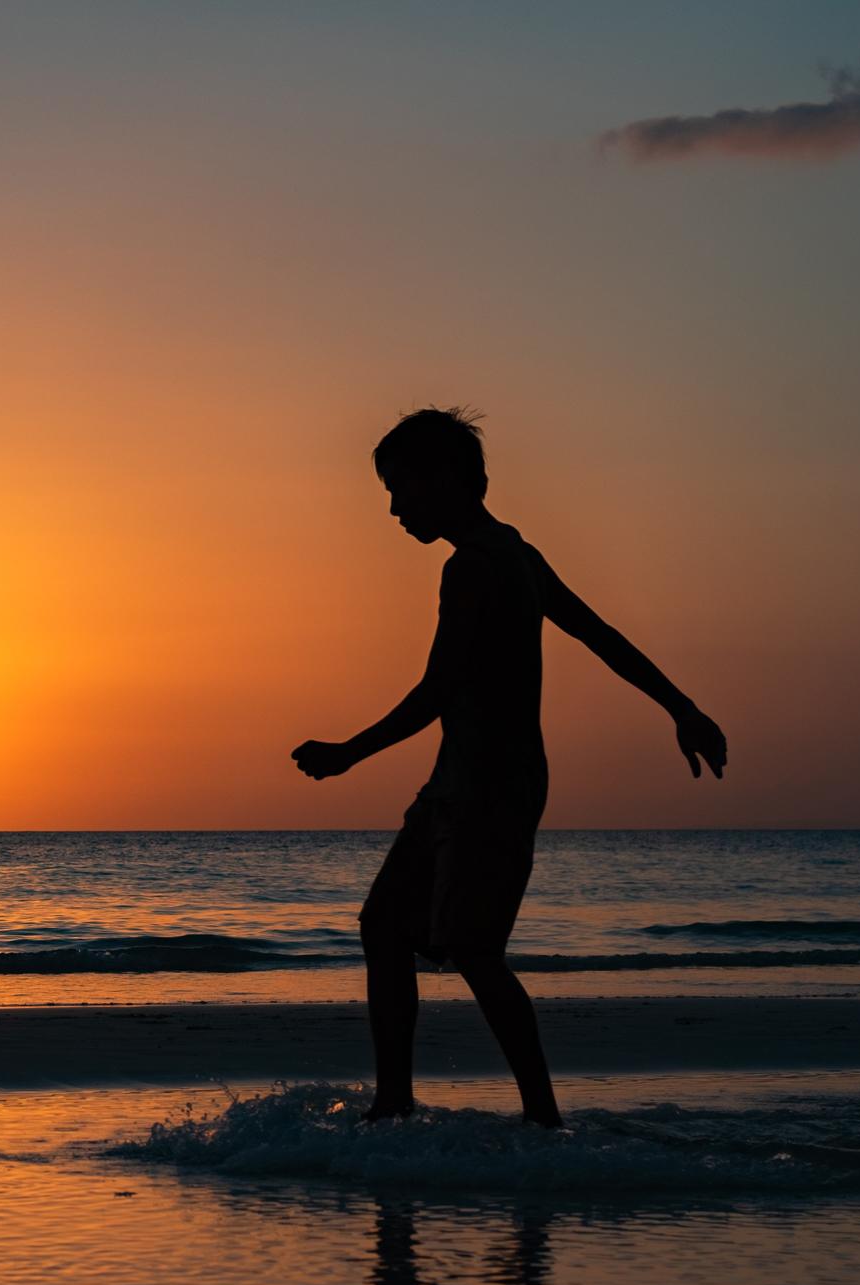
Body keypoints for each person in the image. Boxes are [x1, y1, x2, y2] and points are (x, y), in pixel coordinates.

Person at [291, 408, 726, 1127]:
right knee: (386, 926)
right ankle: (394, 1102)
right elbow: (602, 635)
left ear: (449, 480)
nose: (395, 508)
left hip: (491, 788)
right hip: (464, 784)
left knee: (473, 949)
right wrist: (681, 707)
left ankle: (540, 1118)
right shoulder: (517, 552)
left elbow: (436, 690)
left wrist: (346, 754)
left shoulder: (474, 567)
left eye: (403, 489)